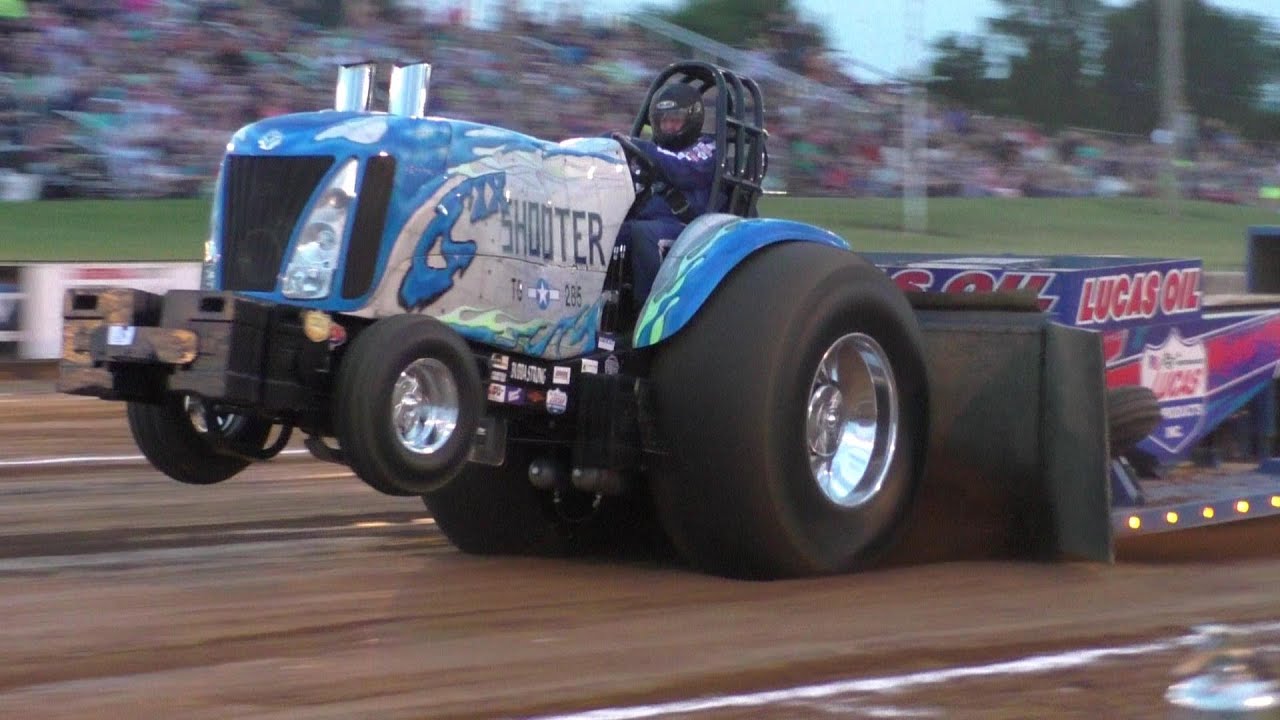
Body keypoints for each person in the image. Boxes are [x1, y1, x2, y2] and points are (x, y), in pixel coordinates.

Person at [613, 82, 718, 308]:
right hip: (647, 223)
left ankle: (649, 311)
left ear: (691, 120)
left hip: (691, 231)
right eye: (664, 121)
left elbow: (682, 171)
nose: (668, 126)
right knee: (606, 231)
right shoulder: (651, 152)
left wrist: (641, 148)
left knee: (643, 233)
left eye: (675, 120)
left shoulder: (707, 147)